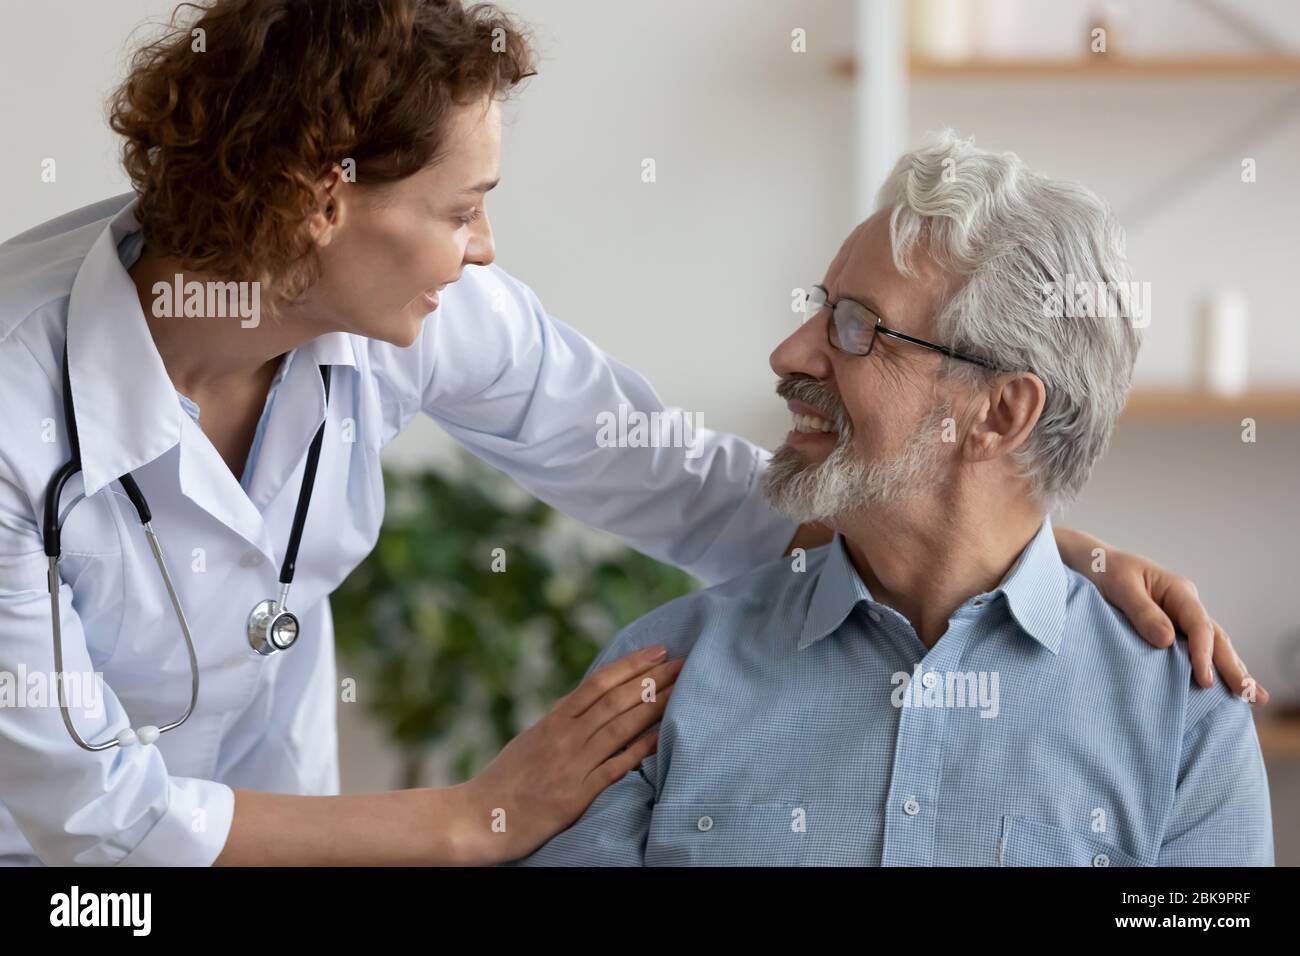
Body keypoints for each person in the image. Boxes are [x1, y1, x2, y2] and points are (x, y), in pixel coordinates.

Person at [0, 1, 1261, 867]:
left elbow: (687, 481)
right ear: (319, 205)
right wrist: (473, 818)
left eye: (857, 328)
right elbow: (94, 811)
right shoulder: (18, 398)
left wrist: (1047, 555)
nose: (484, 247)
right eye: (464, 207)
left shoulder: (412, 309)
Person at [511, 132, 1273, 866]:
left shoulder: (1186, 717)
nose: (788, 355)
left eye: (854, 326)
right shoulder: (660, 679)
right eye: (822, 307)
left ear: (1000, 413)